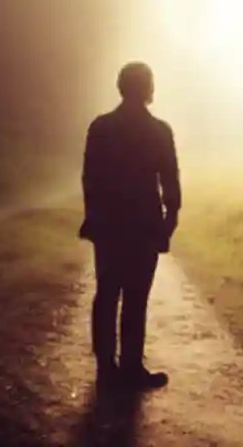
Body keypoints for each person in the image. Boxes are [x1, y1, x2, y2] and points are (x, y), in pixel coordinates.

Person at [80, 62, 181, 390]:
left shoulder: (101, 127)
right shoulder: (159, 131)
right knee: (137, 298)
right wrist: (169, 220)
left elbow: (90, 179)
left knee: (107, 293)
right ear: (148, 88)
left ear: (121, 86)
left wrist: (93, 217)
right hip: (143, 226)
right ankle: (132, 366)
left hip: (109, 225)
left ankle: (106, 366)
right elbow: (170, 180)